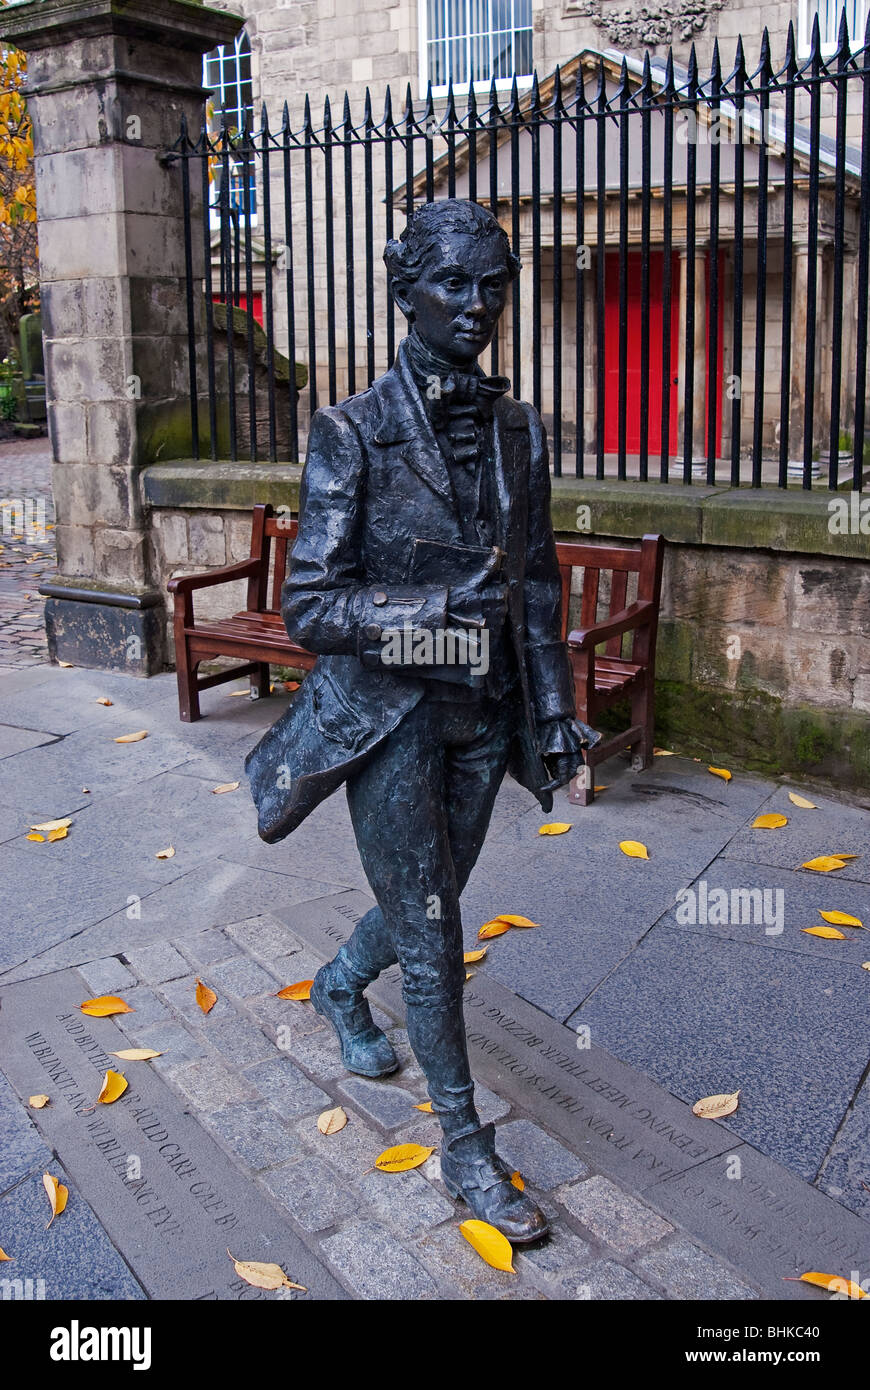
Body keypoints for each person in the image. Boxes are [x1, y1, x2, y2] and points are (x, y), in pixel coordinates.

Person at [246, 198, 598, 1243]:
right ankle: (465, 1146)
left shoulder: (519, 428)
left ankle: (339, 987)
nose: (479, 304)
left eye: (494, 283)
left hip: (482, 714)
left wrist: (553, 709)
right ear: (406, 291)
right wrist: (422, 610)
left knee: (434, 898)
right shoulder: (350, 430)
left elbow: (535, 586)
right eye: (454, 282)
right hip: (390, 716)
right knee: (438, 935)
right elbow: (312, 605)